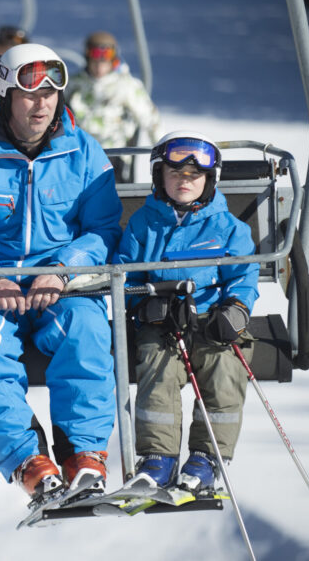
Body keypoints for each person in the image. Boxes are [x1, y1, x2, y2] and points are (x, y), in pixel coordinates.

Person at [0, 43, 124, 506]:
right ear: (6, 94)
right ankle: (29, 463)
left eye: (50, 93)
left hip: (59, 288)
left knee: (85, 331)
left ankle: (85, 457)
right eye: (29, 94)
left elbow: (102, 230)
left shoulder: (83, 153)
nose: (41, 104)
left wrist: (63, 271)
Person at [114, 131, 259, 493]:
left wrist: (236, 311)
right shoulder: (144, 224)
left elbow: (243, 276)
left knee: (226, 372)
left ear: (210, 180)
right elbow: (125, 275)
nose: (184, 181)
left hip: (214, 324)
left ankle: (208, 456)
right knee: (157, 372)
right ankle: (158, 458)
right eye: (175, 174)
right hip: (163, 325)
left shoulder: (228, 227)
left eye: (194, 176)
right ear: (159, 176)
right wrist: (146, 305)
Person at [67, 30, 162, 183]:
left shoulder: (126, 86)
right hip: (79, 153)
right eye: (95, 62)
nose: (99, 68)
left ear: (113, 61)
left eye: (104, 62)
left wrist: (163, 156)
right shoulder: (74, 84)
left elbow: (151, 120)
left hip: (114, 154)